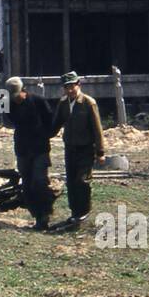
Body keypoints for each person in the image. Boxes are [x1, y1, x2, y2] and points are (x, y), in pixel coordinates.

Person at [50, 71, 105, 230]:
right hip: (70, 148)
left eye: (72, 87)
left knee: (82, 181)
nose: (69, 90)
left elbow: (97, 130)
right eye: (66, 87)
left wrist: (100, 152)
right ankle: (74, 213)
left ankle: (83, 212)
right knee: (72, 182)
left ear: (78, 85)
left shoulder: (88, 103)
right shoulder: (63, 103)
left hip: (86, 149)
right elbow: (56, 124)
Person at [1, 76, 57, 231]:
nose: (15, 99)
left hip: (39, 148)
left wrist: (44, 135)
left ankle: (44, 216)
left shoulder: (38, 101)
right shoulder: (8, 103)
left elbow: (51, 121)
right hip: (22, 149)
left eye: (17, 96)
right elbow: (5, 120)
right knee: (27, 185)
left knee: (39, 182)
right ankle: (36, 214)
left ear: (23, 91)